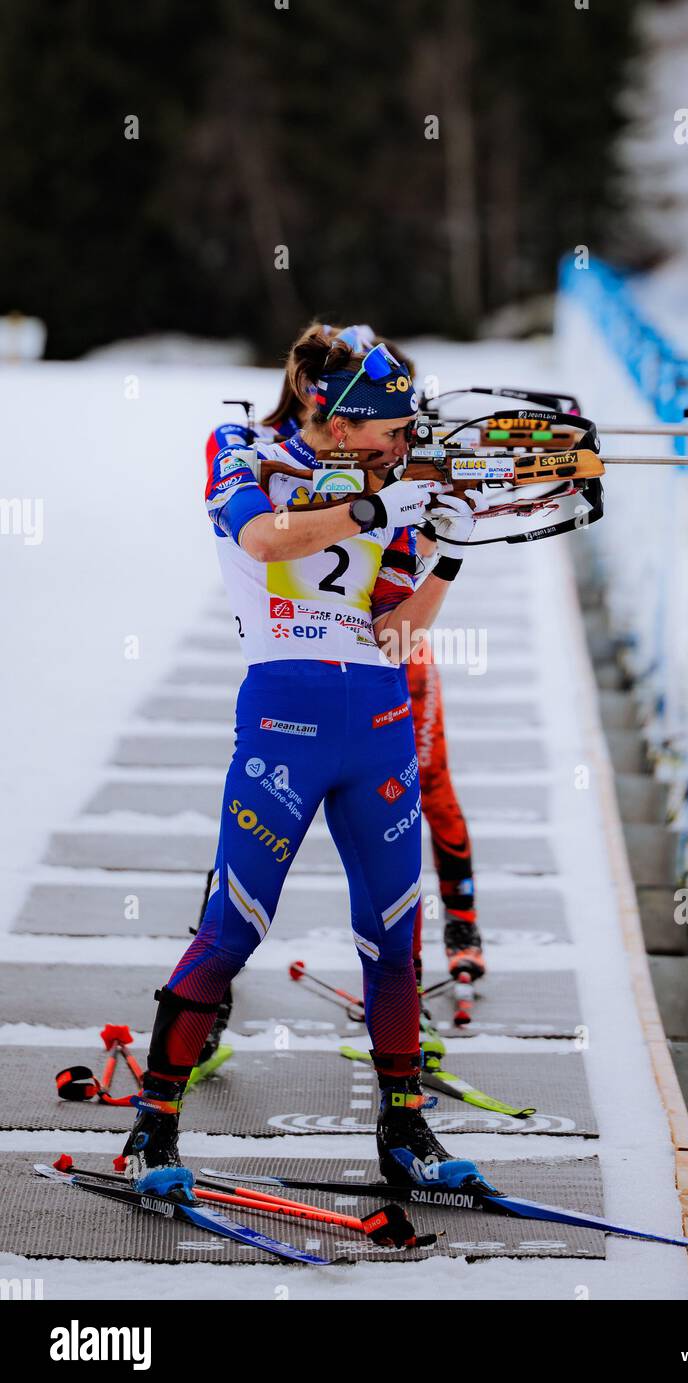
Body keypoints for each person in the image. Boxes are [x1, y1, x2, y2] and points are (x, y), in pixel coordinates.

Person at [122, 323, 486, 1198]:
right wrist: (377, 507)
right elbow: (261, 539)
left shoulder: (393, 479)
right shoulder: (242, 446)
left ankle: (404, 1127)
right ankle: (152, 1130)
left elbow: (399, 628)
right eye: (389, 428)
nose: (403, 444)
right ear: (332, 414)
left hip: (380, 720)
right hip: (284, 718)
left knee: (394, 932)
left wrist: (451, 553)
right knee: (235, 928)